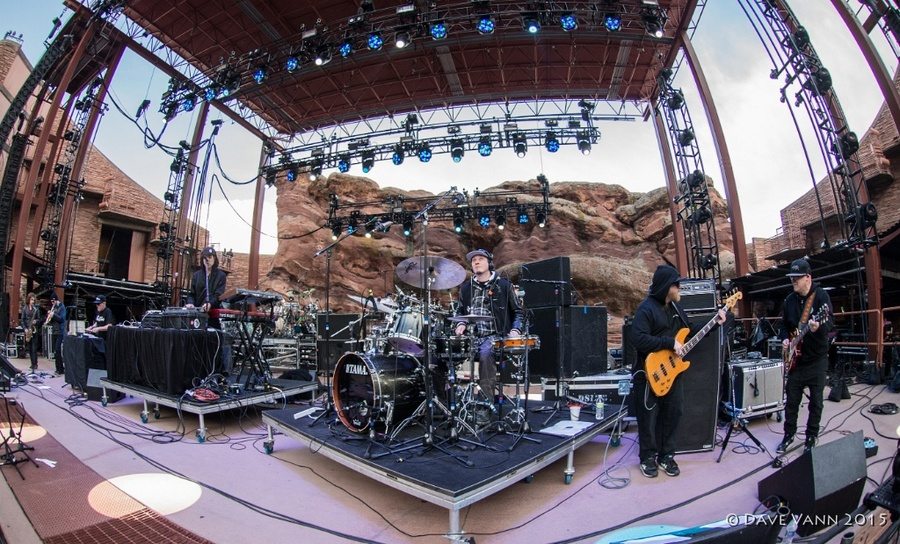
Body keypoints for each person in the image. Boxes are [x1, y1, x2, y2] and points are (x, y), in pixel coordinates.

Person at [631, 265, 726, 478]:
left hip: (672, 373)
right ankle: (647, 458)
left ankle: (666, 456)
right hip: (648, 373)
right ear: (667, 287)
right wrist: (668, 342)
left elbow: (690, 331)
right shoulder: (646, 309)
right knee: (648, 417)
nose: (680, 288)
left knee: (674, 413)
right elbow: (637, 338)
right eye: (677, 285)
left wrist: (715, 322)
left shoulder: (675, 308)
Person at [453, 249, 524, 403]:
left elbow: (519, 312)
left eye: (480, 259)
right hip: (471, 338)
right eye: (473, 261)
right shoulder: (466, 288)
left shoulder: (503, 285)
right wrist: (460, 324)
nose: (476, 262)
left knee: (486, 353)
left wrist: (515, 329)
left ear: (489, 263)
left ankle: (485, 406)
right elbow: (460, 311)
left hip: (496, 337)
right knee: (439, 355)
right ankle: (447, 404)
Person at [777, 258, 832, 454]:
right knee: (791, 402)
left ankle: (811, 436)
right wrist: (785, 339)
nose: (793, 281)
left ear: (808, 277)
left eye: (797, 278)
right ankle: (788, 435)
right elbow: (784, 325)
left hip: (816, 358)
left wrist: (818, 326)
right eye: (792, 278)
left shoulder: (820, 297)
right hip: (796, 362)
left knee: (816, 402)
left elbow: (830, 322)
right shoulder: (789, 300)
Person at [186, 246, 227, 329]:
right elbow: (191, 294)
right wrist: (190, 303)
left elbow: (218, 295)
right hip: (198, 313)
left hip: (213, 314)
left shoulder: (221, 275)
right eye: (205, 258)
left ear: (214, 258)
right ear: (202, 260)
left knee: (214, 337)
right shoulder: (196, 275)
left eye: (210, 257)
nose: (207, 260)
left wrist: (210, 303)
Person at [45, 292, 67, 375]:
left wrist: (53, 314)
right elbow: (53, 320)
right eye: (51, 302)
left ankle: (60, 369)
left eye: (53, 302)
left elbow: (62, 319)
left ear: (56, 300)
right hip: (54, 331)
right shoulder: (53, 308)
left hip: (60, 331)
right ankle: (58, 368)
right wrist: (49, 318)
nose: (52, 303)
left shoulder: (62, 307)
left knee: (58, 350)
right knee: (55, 351)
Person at [20, 292, 42, 372]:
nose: (32, 301)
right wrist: (25, 328)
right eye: (31, 299)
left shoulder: (36, 309)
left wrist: (36, 321)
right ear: (28, 299)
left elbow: (40, 319)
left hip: (34, 330)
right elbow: (22, 320)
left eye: (33, 300)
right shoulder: (25, 308)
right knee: (29, 348)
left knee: (34, 348)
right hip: (28, 330)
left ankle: (35, 364)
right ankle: (32, 364)